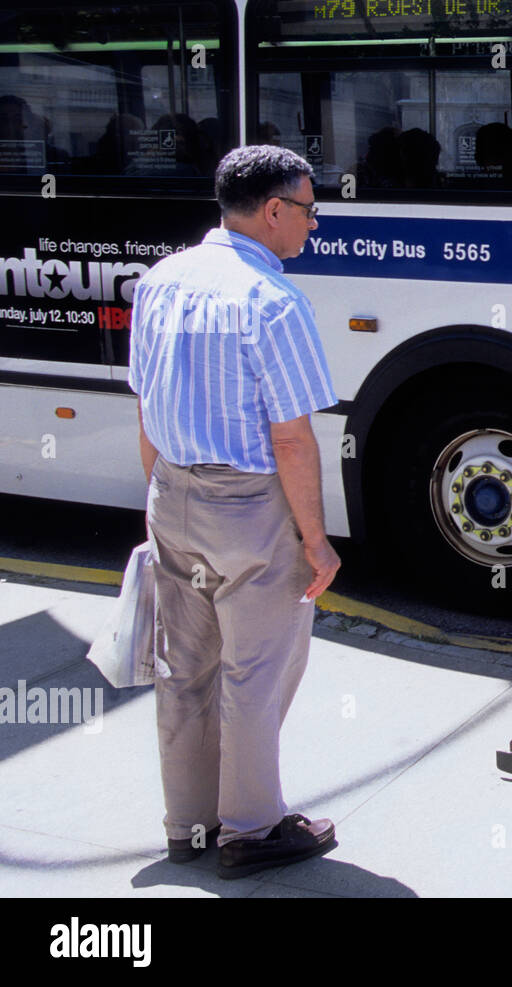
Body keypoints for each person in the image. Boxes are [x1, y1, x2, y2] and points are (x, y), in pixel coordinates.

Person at [129, 145, 341, 879]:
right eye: (310, 210)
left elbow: (146, 406)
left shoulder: (160, 281)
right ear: (275, 211)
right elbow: (291, 438)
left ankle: (188, 824)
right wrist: (316, 541)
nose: (314, 226)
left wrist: (159, 501)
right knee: (255, 670)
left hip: (173, 497)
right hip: (248, 507)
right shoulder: (274, 301)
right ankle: (249, 829)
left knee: (184, 668)